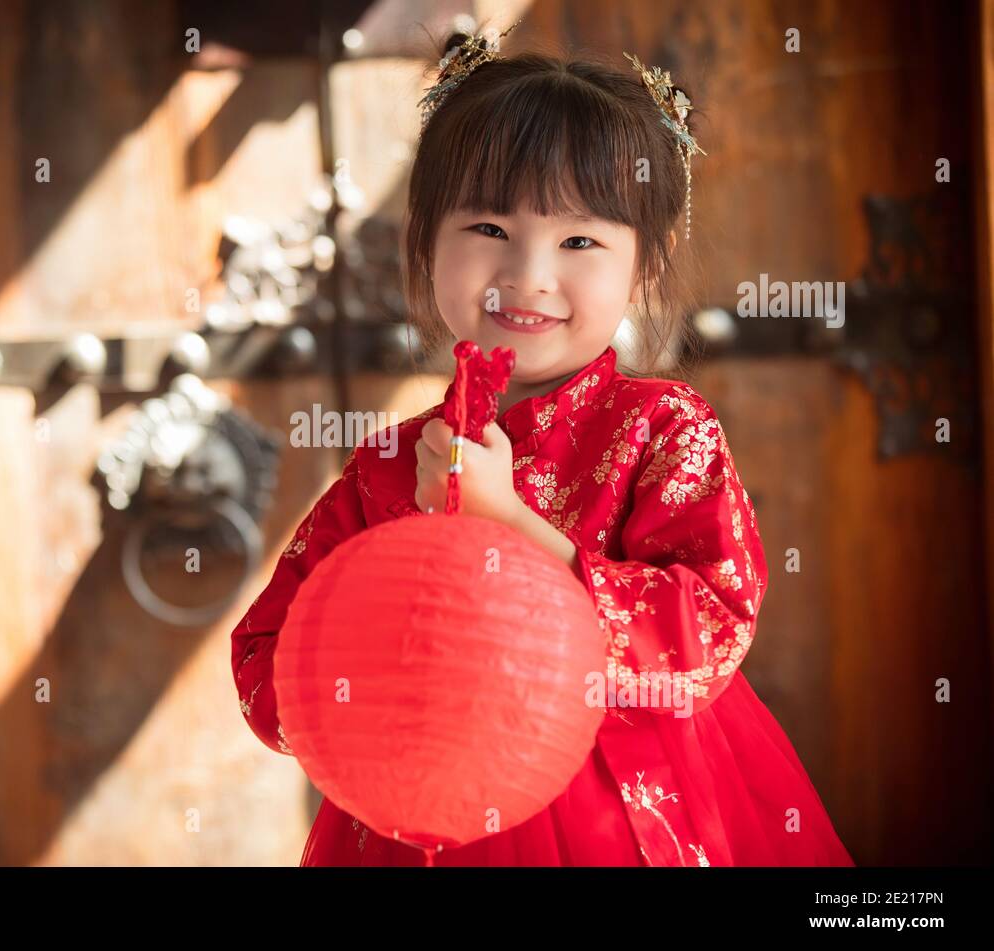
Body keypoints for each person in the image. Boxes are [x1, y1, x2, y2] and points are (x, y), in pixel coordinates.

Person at [231, 22, 854, 867]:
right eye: (488, 229)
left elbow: (706, 630)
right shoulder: (388, 467)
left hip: (632, 816)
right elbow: (272, 667)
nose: (527, 274)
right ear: (426, 237)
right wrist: (380, 671)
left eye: (579, 241)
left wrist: (512, 525)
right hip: (427, 828)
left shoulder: (662, 432)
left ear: (647, 263)